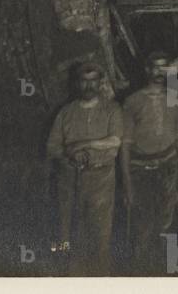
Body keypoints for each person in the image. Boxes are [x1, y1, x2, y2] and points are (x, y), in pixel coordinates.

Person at [46, 62, 123, 275]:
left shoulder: (112, 109)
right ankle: (70, 276)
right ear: (77, 83)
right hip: (70, 180)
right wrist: (69, 155)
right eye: (84, 80)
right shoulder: (65, 112)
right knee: (67, 231)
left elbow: (114, 142)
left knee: (100, 233)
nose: (89, 85)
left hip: (101, 179)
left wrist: (81, 145)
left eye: (93, 80)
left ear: (100, 82)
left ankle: (100, 279)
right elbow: (52, 147)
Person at [120, 51, 178, 273]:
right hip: (141, 169)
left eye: (164, 67)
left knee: (166, 220)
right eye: (154, 67)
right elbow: (125, 145)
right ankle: (140, 270)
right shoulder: (133, 101)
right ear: (147, 70)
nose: (159, 72)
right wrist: (128, 183)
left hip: (168, 167)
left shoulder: (176, 98)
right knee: (142, 222)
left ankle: (163, 269)